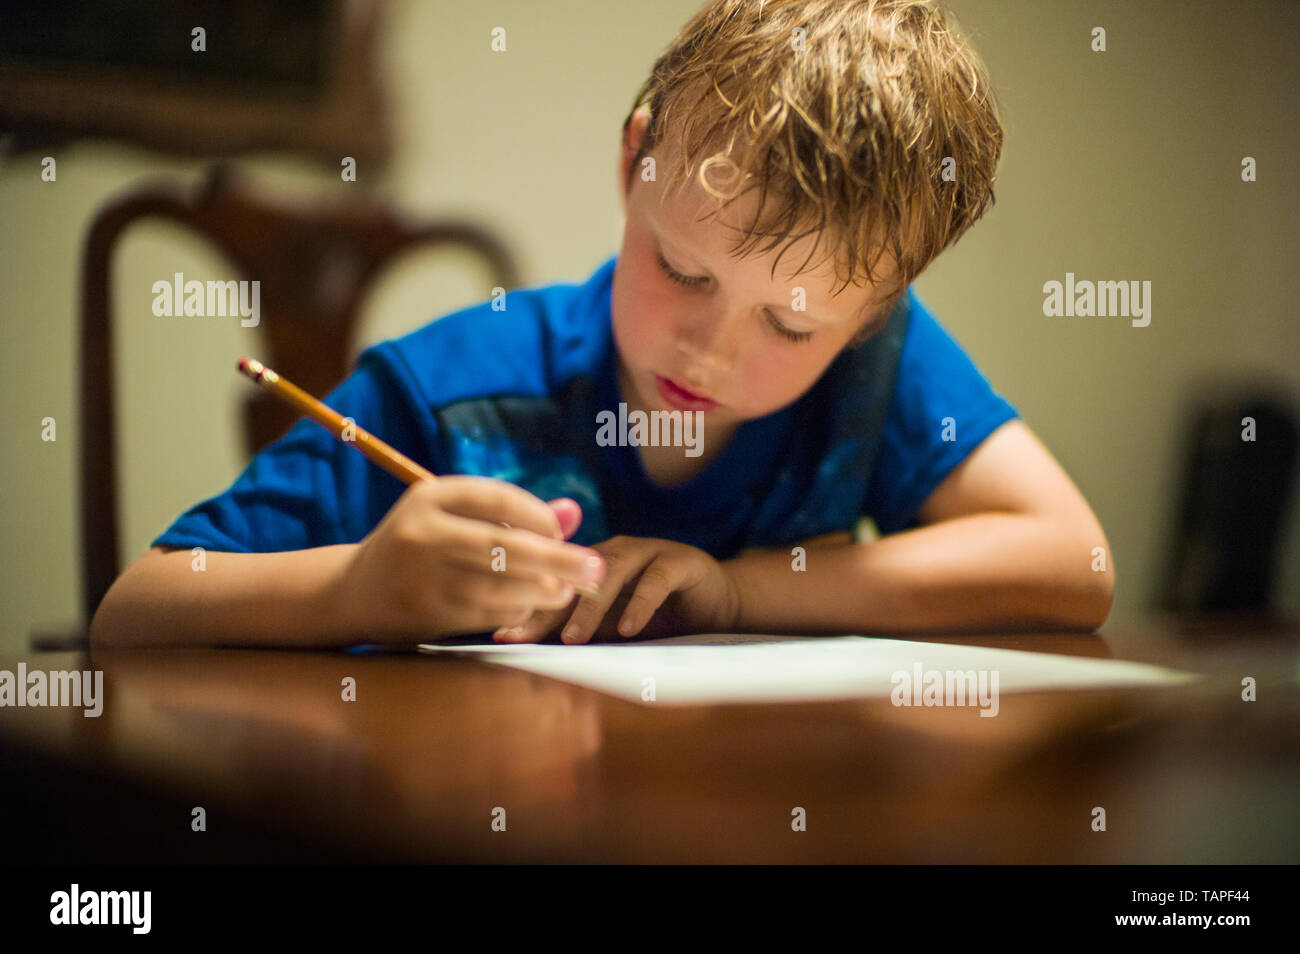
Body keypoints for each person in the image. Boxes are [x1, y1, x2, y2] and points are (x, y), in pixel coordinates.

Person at [91, 0, 1113, 650]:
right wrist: (358, 587)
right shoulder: (454, 386)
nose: (710, 351)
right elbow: (132, 612)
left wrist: (740, 593)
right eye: (682, 268)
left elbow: (1075, 565)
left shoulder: (876, 363)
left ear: (867, 315)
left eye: (791, 329)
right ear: (634, 165)